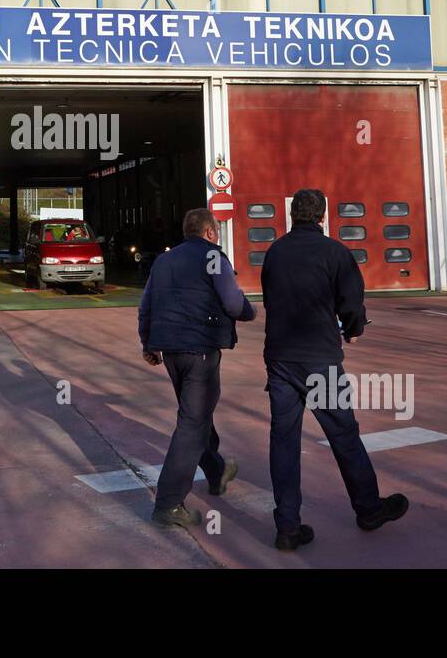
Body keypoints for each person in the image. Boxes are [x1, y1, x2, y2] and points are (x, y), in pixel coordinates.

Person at [260, 189, 408, 551]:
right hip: (320, 361)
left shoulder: (275, 253)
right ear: (322, 216)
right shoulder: (335, 253)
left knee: (283, 440)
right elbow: (352, 303)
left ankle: (287, 526)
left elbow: (270, 297)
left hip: (280, 360)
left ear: (292, 214)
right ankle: (369, 509)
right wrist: (353, 329)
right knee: (343, 433)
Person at [138, 207, 256, 530]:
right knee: (192, 423)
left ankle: (216, 470)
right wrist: (250, 311)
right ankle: (168, 502)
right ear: (209, 232)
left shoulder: (163, 261)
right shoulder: (214, 258)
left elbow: (146, 304)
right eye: (216, 231)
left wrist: (148, 343)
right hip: (201, 350)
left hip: (171, 351)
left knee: (197, 415)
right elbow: (233, 303)